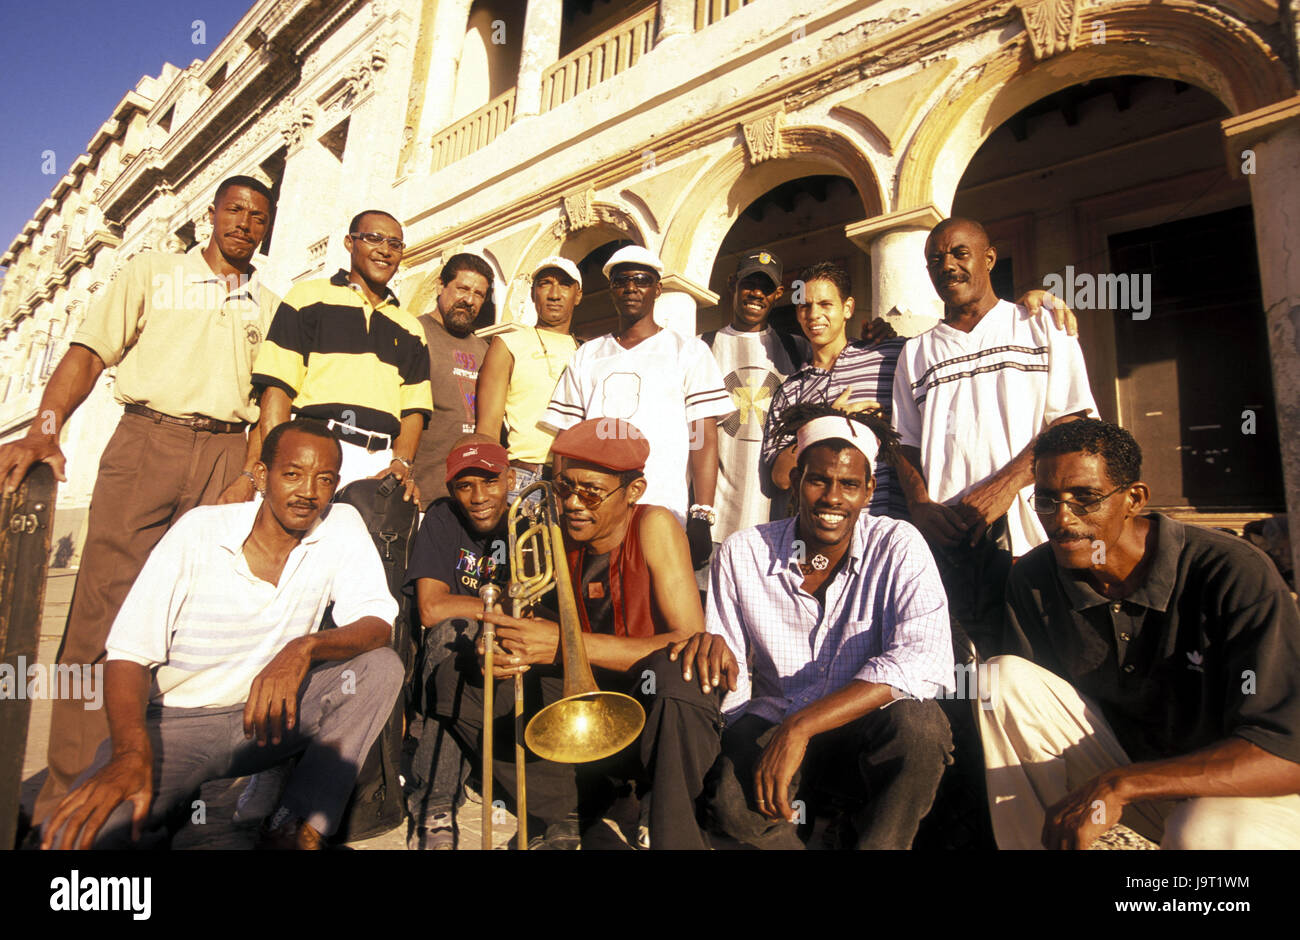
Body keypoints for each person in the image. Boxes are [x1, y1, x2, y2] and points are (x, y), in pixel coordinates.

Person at [1, 176, 283, 823]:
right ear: (211, 214)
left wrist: (252, 472)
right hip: (146, 445)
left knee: (188, 634)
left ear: (266, 227)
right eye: (234, 209)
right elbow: (88, 353)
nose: (244, 222)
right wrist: (45, 430)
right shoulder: (153, 272)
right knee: (98, 624)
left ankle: (152, 794)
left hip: (225, 462)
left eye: (257, 215)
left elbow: (272, 401)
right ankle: (65, 801)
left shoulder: (267, 306)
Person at [40, 421, 403, 850]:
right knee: (94, 834)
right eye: (292, 474)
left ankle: (294, 824)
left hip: (268, 718)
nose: (308, 491)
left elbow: (378, 623)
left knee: (379, 668)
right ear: (263, 476)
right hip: (176, 726)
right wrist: (128, 753)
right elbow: (127, 656)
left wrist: (303, 647)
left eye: (324, 480)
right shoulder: (201, 531)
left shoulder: (340, 525)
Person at [979, 418, 1300, 849]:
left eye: (1085, 498)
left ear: (1134, 499)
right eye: (1047, 501)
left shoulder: (1229, 570)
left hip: (1238, 792)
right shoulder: (1037, 578)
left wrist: (1124, 784)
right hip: (1124, 786)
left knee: (1201, 829)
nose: (1062, 518)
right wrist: (1118, 785)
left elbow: (1285, 754)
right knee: (998, 680)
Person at [431, 418, 732, 849]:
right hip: (581, 710)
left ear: (633, 491)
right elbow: (528, 621)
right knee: (456, 678)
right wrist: (498, 648)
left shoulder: (655, 525)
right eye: (562, 486)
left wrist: (559, 646)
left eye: (590, 491)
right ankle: (568, 809)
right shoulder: (548, 533)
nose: (572, 502)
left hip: (650, 702)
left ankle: (672, 830)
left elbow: (686, 641)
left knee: (681, 678)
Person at [701, 407, 954, 849]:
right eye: (819, 480)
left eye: (849, 485)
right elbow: (733, 674)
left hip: (859, 725)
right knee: (729, 803)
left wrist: (802, 726)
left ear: (869, 489)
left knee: (920, 727)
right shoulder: (742, 552)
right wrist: (740, 752)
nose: (832, 498)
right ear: (796, 480)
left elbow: (922, 660)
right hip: (773, 719)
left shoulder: (898, 544)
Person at [891, 217, 1096, 655]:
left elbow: (1073, 423)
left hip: (1032, 533)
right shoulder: (916, 352)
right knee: (966, 669)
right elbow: (902, 442)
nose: (947, 265)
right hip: (951, 541)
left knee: (1041, 662)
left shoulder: (1042, 324)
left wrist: (1005, 486)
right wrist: (920, 506)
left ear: (988, 258)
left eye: (959, 253)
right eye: (936, 259)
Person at [541, 246, 730, 569]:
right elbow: (566, 438)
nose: (631, 288)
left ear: (657, 288)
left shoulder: (689, 351)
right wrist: (562, 502)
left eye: (641, 280)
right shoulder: (587, 355)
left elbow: (702, 436)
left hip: (664, 507)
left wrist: (702, 511)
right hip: (594, 511)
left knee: (656, 607)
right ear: (611, 290)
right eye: (621, 281)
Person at [252, 209, 430, 497]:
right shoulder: (307, 297)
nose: (385, 250)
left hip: (378, 465)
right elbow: (277, 386)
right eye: (374, 238)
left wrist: (401, 463)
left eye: (395, 244)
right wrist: (279, 459)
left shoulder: (411, 327)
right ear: (350, 243)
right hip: (312, 450)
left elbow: (413, 408)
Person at [403, 435, 515, 849]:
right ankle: (435, 801)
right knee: (453, 636)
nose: (479, 496)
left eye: (490, 482)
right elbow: (432, 610)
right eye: (465, 486)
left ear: (511, 478)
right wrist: (496, 611)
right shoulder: (442, 518)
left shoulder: (530, 520)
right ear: (451, 491)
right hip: (458, 646)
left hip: (515, 644)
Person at [761, 262, 910, 519]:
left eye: (825, 304)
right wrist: (830, 419)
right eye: (805, 306)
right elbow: (782, 478)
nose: (813, 314)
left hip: (887, 528)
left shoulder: (887, 356)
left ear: (848, 308)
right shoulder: (790, 390)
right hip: (820, 534)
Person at [475, 256, 582, 500]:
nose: (554, 294)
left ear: (578, 295)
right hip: (524, 478)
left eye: (564, 285)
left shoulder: (587, 351)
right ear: (533, 294)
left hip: (576, 480)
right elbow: (488, 428)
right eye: (545, 283)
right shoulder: (508, 344)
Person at [411, 253, 494, 508]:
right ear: (440, 286)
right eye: (463, 288)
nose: (469, 300)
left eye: (479, 294)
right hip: (420, 494)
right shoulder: (414, 332)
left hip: (470, 499)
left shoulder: (486, 349)